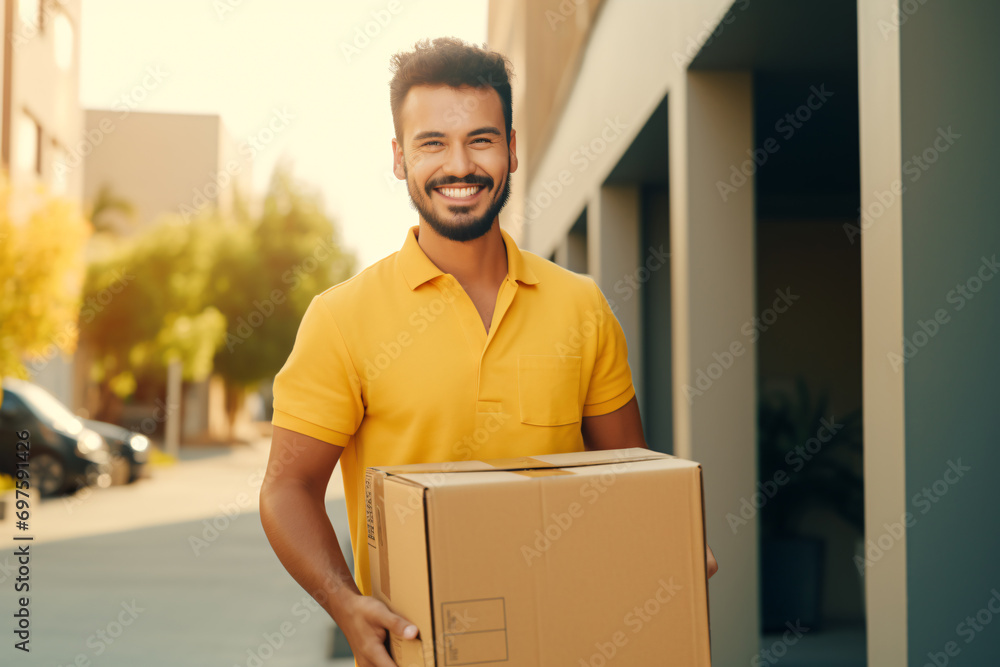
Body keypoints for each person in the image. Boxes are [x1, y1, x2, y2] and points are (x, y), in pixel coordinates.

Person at [259, 36, 718, 667]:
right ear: (399, 158)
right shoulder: (342, 318)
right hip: (421, 650)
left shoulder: (580, 306)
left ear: (511, 150)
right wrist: (343, 603)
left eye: (481, 139)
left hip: (573, 640)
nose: (460, 165)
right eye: (432, 143)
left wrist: (670, 544)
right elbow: (287, 488)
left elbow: (627, 478)